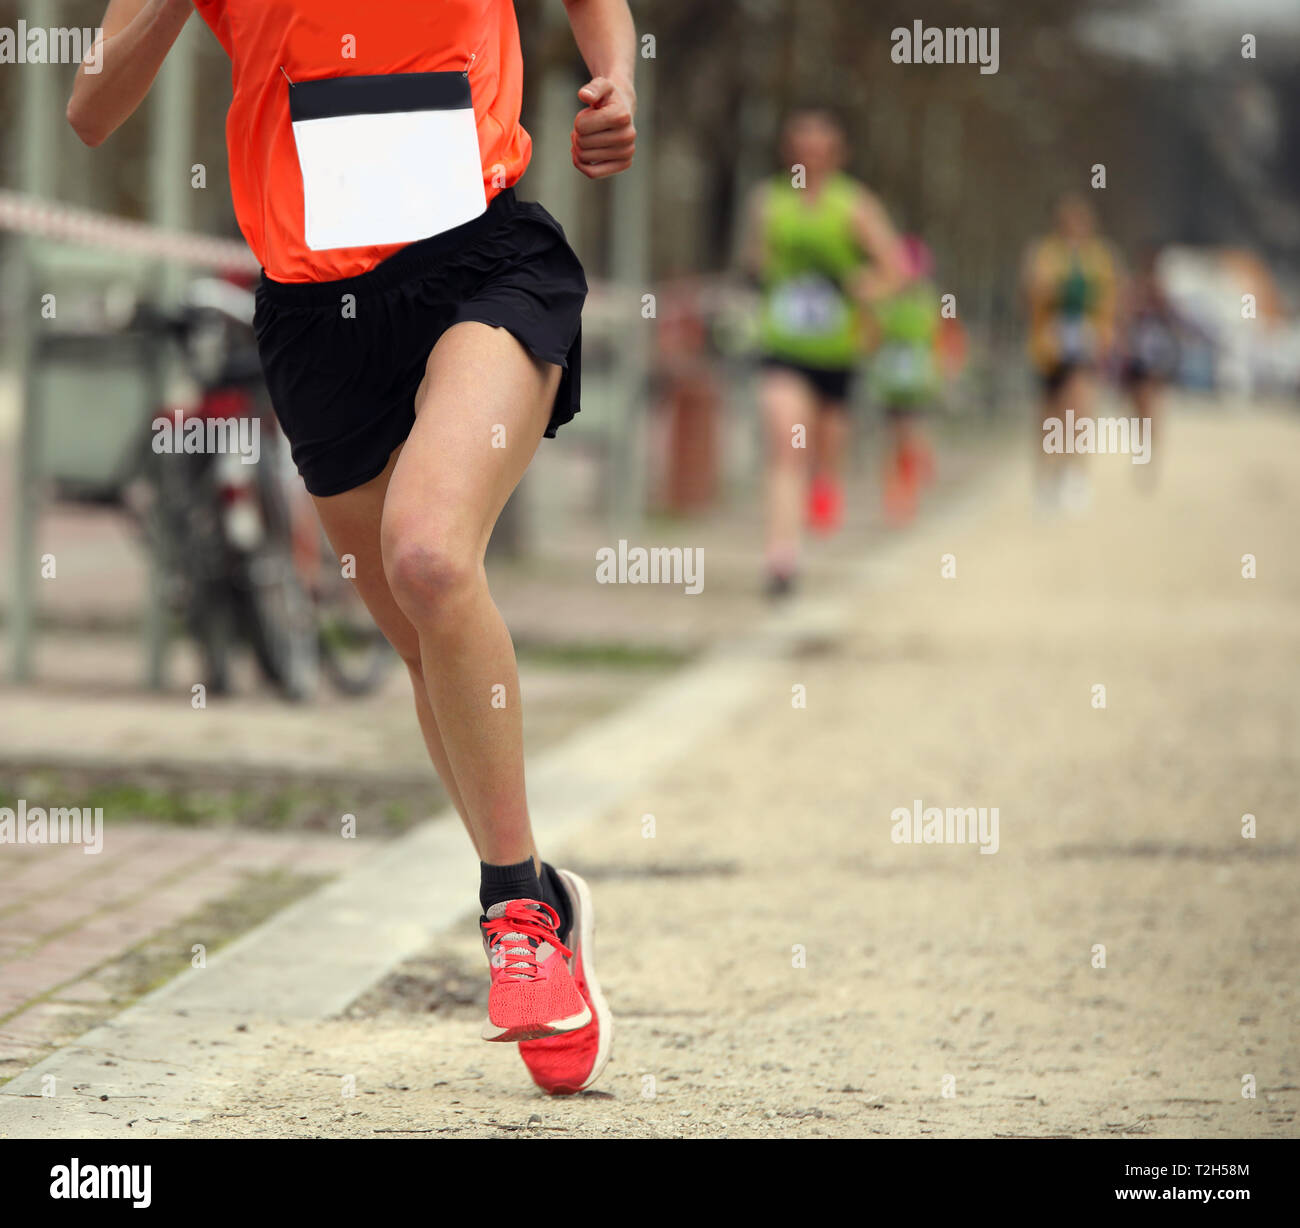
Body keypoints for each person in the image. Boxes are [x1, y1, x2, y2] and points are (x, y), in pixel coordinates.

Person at [69, 0, 637, 1096]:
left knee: (431, 557)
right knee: (417, 633)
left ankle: (515, 906)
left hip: (480, 261)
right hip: (315, 310)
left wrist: (615, 74)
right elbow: (92, 107)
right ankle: (546, 902)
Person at [741, 108, 905, 596]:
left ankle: (826, 484)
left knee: (825, 449)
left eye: (820, 149)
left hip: (837, 349)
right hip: (783, 344)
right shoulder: (767, 202)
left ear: (837, 154)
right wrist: (764, 273)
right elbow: (754, 260)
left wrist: (863, 287)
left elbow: (895, 269)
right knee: (785, 444)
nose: (809, 157)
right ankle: (782, 560)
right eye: (801, 147)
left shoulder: (855, 205)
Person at [1023, 194, 1119, 513]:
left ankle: (1075, 473)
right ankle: (1047, 477)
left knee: (1078, 408)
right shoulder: (1046, 252)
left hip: (1085, 341)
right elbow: (1034, 288)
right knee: (1051, 413)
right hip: (1050, 342)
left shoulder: (1099, 256)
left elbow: (1110, 296)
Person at [873, 235, 939, 525]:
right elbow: (875, 330)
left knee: (908, 437)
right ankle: (896, 494)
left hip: (916, 380)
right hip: (892, 380)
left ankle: (907, 492)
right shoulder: (887, 298)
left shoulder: (924, 299)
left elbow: (931, 333)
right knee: (895, 440)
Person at [1119, 243, 1179, 487]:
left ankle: (1148, 457)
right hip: (1138, 356)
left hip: (1154, 357)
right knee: (1140, 413)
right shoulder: (1133, 288)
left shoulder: (1159, 289)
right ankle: (1144, 455)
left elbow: (1171, 319)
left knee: (1149, 412)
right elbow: (1123, 317)